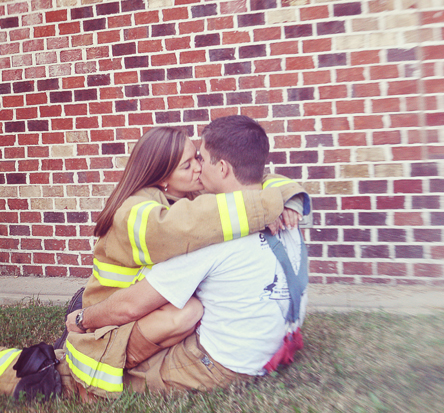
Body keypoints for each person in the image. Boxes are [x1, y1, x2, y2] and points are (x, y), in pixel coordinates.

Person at [0, 123, 308, 400]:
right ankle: (62, 375)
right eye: (189, 164)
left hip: (142, 305)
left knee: (186, 312)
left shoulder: (187, 199)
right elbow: (181, 227)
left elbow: (255, 174)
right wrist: (265, 205)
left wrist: (287, 194)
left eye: (199, 159)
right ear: (162, 178)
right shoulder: (138, 213)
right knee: (185, 313)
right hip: (106, 312)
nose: (199, 168)